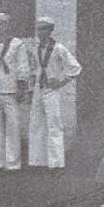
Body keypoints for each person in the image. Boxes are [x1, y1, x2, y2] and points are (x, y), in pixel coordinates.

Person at [27, 15, 81, 171]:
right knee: (36, 124)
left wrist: (61, 82)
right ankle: (37, 162)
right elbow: (34, 69)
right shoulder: (35, 49)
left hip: (52, 90)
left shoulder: (58, 48)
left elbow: (75, 68)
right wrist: (32, 86)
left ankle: (56, 164)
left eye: (44, 29)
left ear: (50, 31)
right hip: (39, 89)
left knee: (54, 125)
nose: (40, 32)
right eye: (38, 29)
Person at [0, 12, 29, 173]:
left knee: (13, 126)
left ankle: (13, 163)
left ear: (7, 26)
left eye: (1, 24)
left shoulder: (17, 44)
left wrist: (22, 88)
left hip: (11, 90)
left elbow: (23, 67)